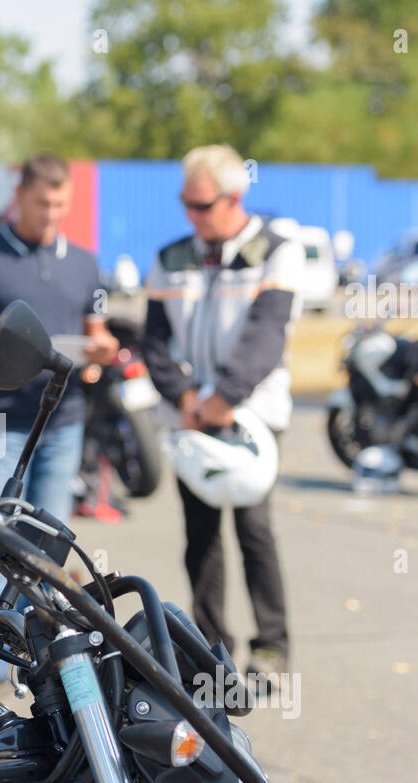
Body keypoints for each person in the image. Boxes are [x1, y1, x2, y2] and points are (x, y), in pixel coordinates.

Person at [0, 152, 117, 686]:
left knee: (47, 545)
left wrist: (101, 348)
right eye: (42, 203)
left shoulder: (85, 262)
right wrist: (15, 350)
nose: (51, 214)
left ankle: (40, 653)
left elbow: (97, 329)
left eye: (61, 204)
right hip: (0, 418)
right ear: (21, 196)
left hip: (64, 418)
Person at [140, 144, 304, 684]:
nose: (191, 215)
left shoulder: (276, 249)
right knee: (200, 534)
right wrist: (186, 397)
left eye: (202, 205)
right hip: (189, 412)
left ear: (235, 198)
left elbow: (266, 335)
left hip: (252, 409)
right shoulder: (170, 258)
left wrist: (223, 399)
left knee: (254, 526)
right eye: (185, 203)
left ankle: (273, 646)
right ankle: (213, 650)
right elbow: (155, 340)